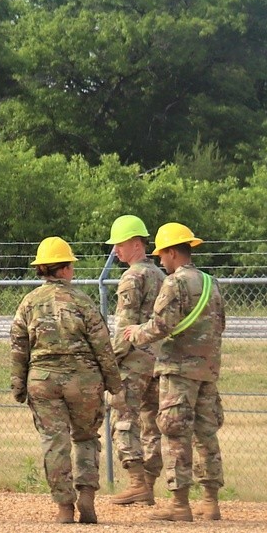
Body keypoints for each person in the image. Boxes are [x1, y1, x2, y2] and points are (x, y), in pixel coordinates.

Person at [11, 238, 124, 524]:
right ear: (64, 270)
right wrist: (114, 384)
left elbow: (18, 345)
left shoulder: (28, 303)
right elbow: (102, 346)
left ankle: (64, 507)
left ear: (42, 269)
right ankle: (86, 496)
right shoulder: (83, 302)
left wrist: (19, 385)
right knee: (86, 437)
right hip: (83, 381)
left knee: (54, 441)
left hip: (43, 380)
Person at [118, 223, 226, 522]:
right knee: (206, 435)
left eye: (162, 255)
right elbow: (220, 324)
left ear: (172, 252)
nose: (161, 261)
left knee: (175, 432)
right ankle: (210, 501)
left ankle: (179, 504)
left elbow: (161, 325)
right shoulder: (210, 282)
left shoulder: (174, 284)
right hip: (207, 370)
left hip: (178, 370)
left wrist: (135, 334)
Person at [105, 214, 165, 506]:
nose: (116, 250)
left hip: (135, 359)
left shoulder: (132, 277)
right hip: (160, 359)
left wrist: (111, 362)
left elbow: (125, 325)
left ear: (136, 243)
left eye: (120, 244)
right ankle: (149, 483)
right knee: (152, 422)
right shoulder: (162, 275)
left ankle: (137, 482)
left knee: (124, 418)